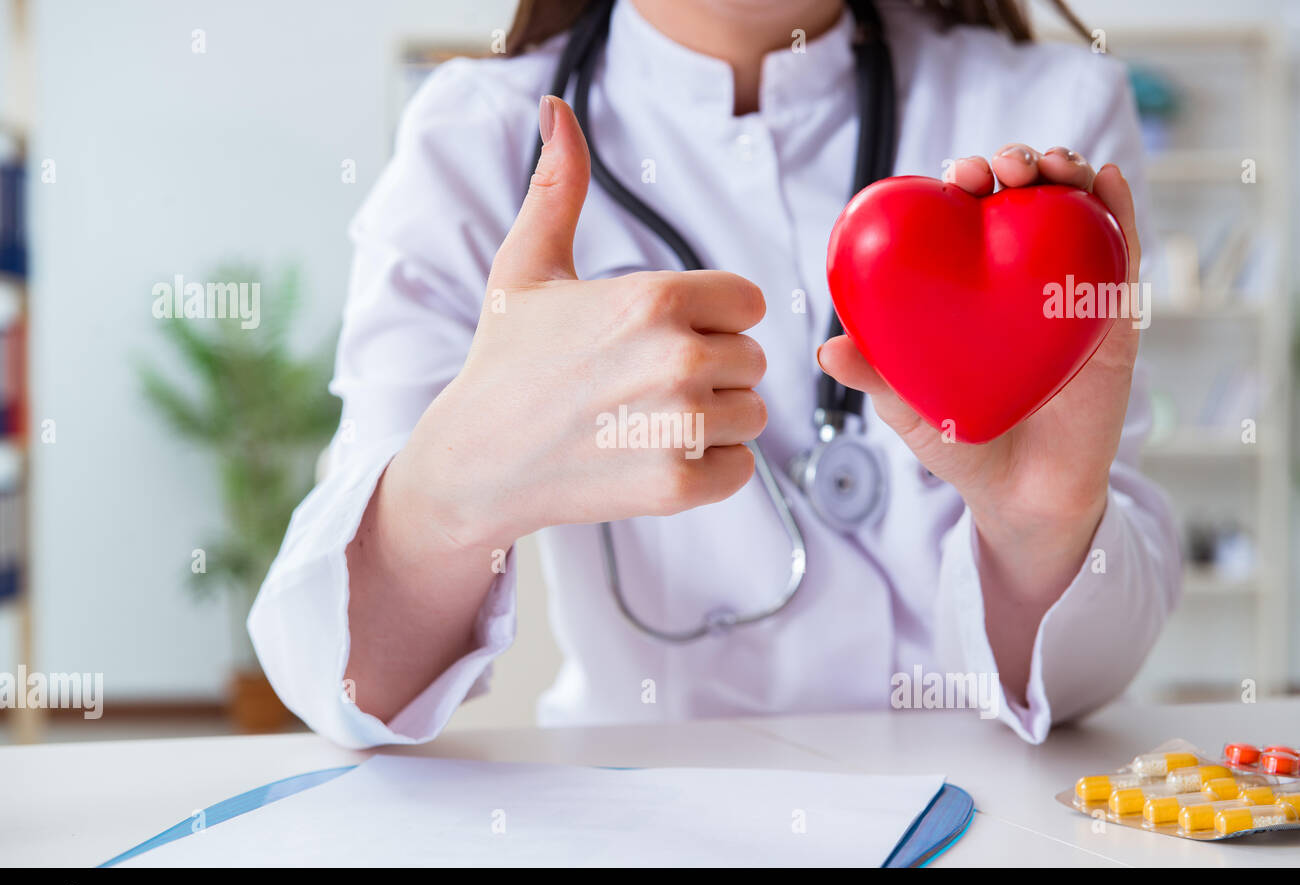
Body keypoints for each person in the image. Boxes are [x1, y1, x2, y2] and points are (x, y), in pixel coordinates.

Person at [249, 0, 1181, 748]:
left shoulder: (1056, 116)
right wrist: (453, 488)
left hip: (984, 819)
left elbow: (1084, 684)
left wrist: (1043, 523)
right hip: (639, 820)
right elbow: (338, 679)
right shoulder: (475, 136)